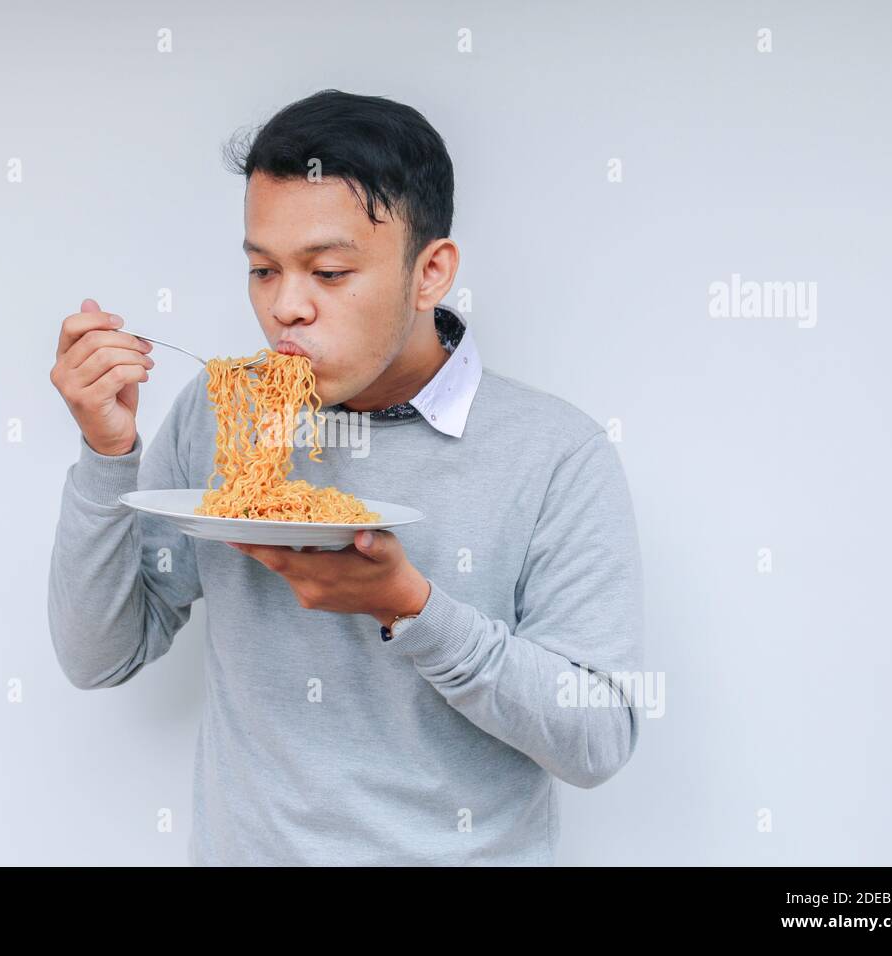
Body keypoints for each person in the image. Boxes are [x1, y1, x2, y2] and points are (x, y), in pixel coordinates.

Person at [47, 89, 644, 865]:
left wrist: (411, 609)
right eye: (263, 270)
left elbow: (598, 739)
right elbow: (101, 655)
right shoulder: (220, 415)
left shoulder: (556, 453)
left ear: (431, 272)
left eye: (328, 272)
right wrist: (105, 453)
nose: (285, 308)